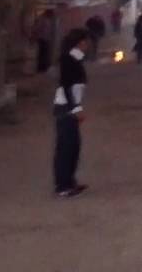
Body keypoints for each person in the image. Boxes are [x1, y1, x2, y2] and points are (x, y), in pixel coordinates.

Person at [53, 28, 90, 198]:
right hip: (65, 108)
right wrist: (76, 109)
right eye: (85, 41)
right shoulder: (69, 60)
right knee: (66, 148)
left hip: (70, 107)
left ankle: (70, 181)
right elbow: (67, 86)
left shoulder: (75, 59)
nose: (87, 45)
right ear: (79, 43)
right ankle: (62, 186)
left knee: (73, 146)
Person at [31, 10, 57, 74]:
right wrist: (34, 36)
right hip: (42, 39)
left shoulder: (47, 19)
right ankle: (41, 68)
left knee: (45, 54)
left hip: (46, 39)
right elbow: (37, 28)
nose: (52, 16)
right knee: (42, 54)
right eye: (51, 14)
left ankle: (44, 67)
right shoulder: (42, 19)